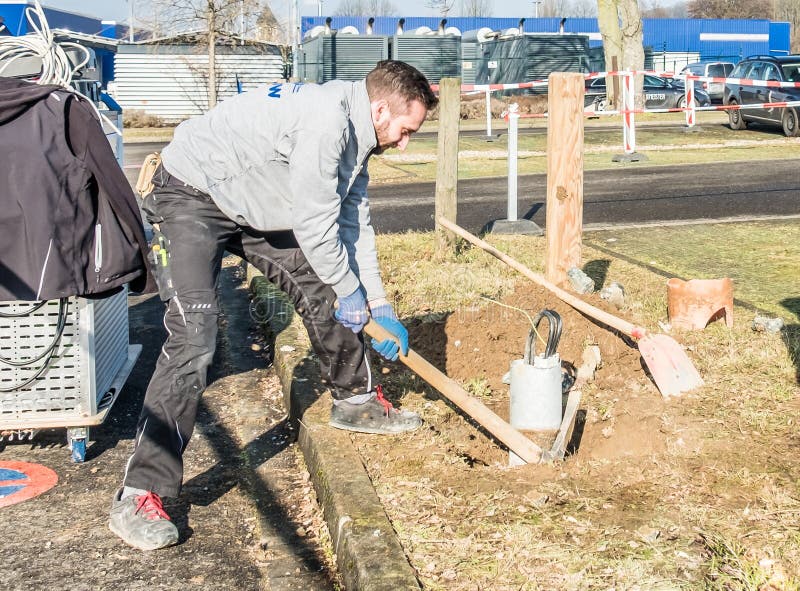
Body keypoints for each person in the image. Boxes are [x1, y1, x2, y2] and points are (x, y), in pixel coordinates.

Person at [109, 60, 438, 551]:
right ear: (380, 108)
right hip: (190, 195)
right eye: (406, 130)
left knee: (329, 287)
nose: (404, 142)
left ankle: (356, 402)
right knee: (194, 337)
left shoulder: (360, 135)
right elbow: (315, 228)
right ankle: (140, 493)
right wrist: (351, 293)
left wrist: (377, 302)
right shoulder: (327, 124)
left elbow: (354, 225)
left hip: (251, 203)